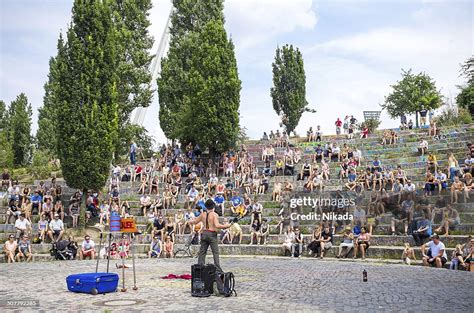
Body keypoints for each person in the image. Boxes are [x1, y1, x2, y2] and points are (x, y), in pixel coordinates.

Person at [188, 199, 231, 272]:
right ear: (213, 207)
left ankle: (200, 268)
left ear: (206, 207)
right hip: (212, 234)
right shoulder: (214, 214)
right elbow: (217, 225)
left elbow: (194, 222)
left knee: (202, 252)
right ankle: (218, 269)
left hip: (204, 233)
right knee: (215, 252)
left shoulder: (203, 214)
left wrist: (189, 222)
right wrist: (227, 226)